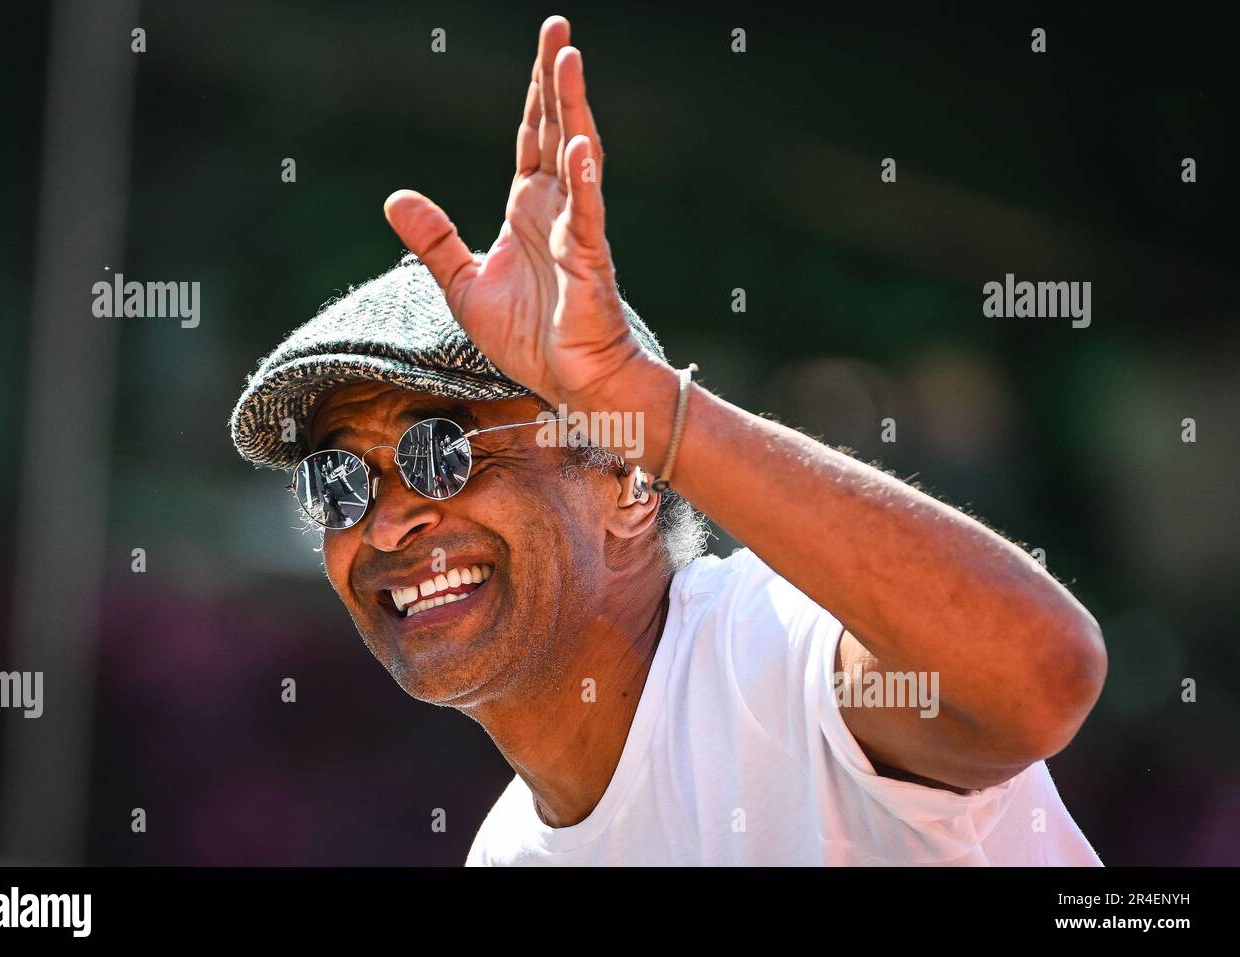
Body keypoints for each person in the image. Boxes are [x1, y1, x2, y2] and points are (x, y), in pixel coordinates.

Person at [229, 16, 1106, 865]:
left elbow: (1044, 674)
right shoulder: (506, 854)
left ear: (624, 478)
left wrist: (650, 408)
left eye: (441, 453)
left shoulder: (771, 652)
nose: (386, 525)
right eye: (338, 480)